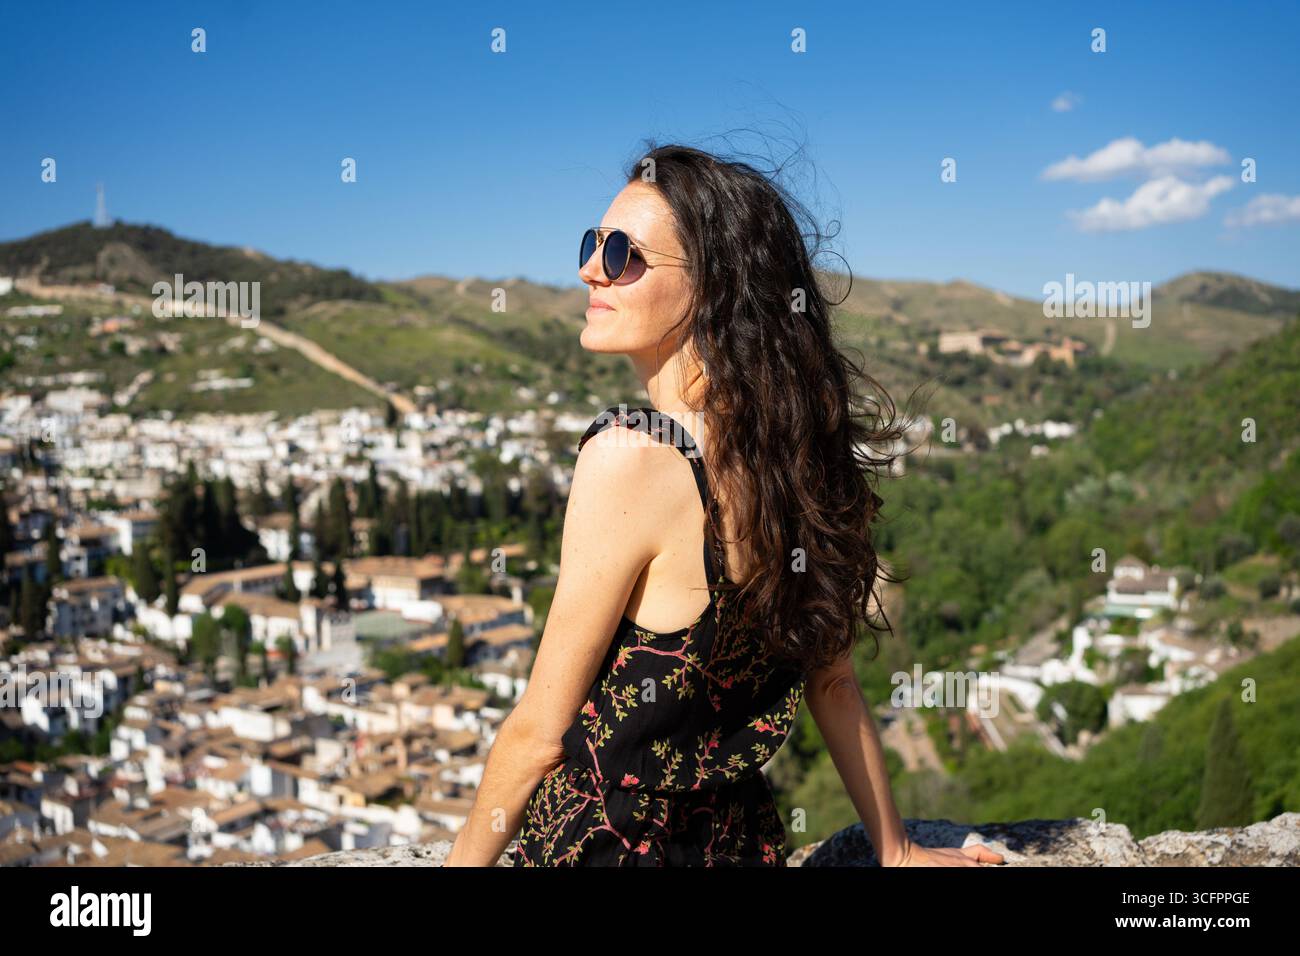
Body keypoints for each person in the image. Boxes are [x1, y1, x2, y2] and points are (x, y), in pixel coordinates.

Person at [444, 142, 1004, 867]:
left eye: (623, 254)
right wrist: (895, 850)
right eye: (593, 244)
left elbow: (537, 735)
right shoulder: (802, 459)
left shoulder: (629, 457)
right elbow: (832, 681)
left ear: (711, 288)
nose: (590, 268)